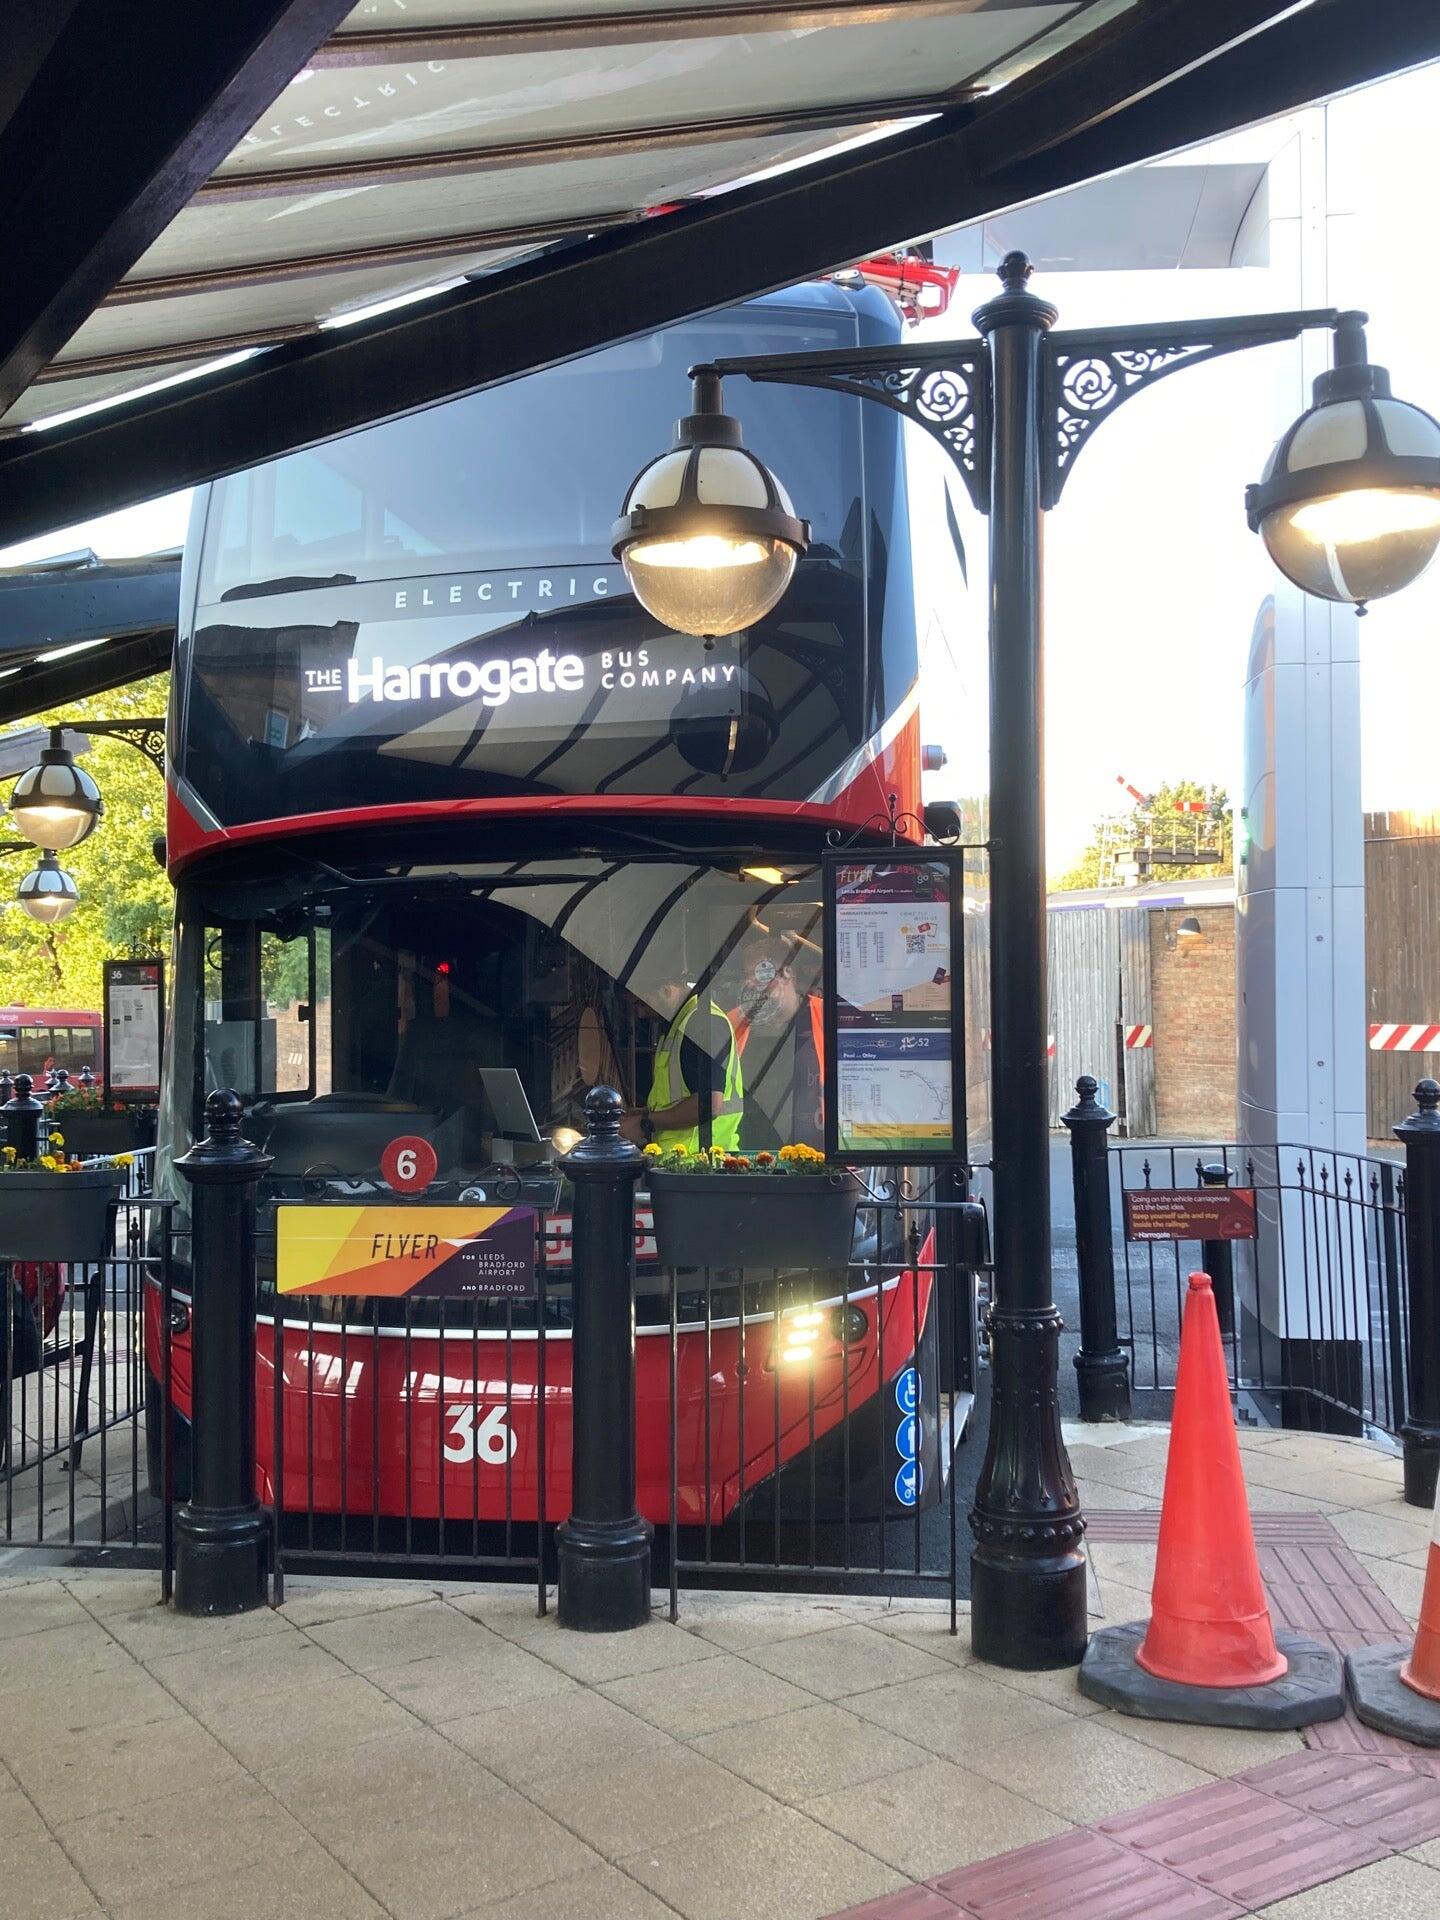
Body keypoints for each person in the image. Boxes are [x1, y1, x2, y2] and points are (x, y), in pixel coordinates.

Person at [621, 969, 743, 1151]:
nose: (640, 1014)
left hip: (700, 1163)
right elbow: (681, 1096)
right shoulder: (679, 1025)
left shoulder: (700, 1024)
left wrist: (644, 1123)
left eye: (641, 1003)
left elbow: (708, 1104)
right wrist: (646, 1113)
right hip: (683, 1162)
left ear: (666, 991)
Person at [734, 936, 824, 1151]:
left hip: (818, 1156)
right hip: (749, 1155)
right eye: (745, 976)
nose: (749, 983)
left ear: (786, 973)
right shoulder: (732, 1022)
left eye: (758, 973)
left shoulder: (827, 1017)